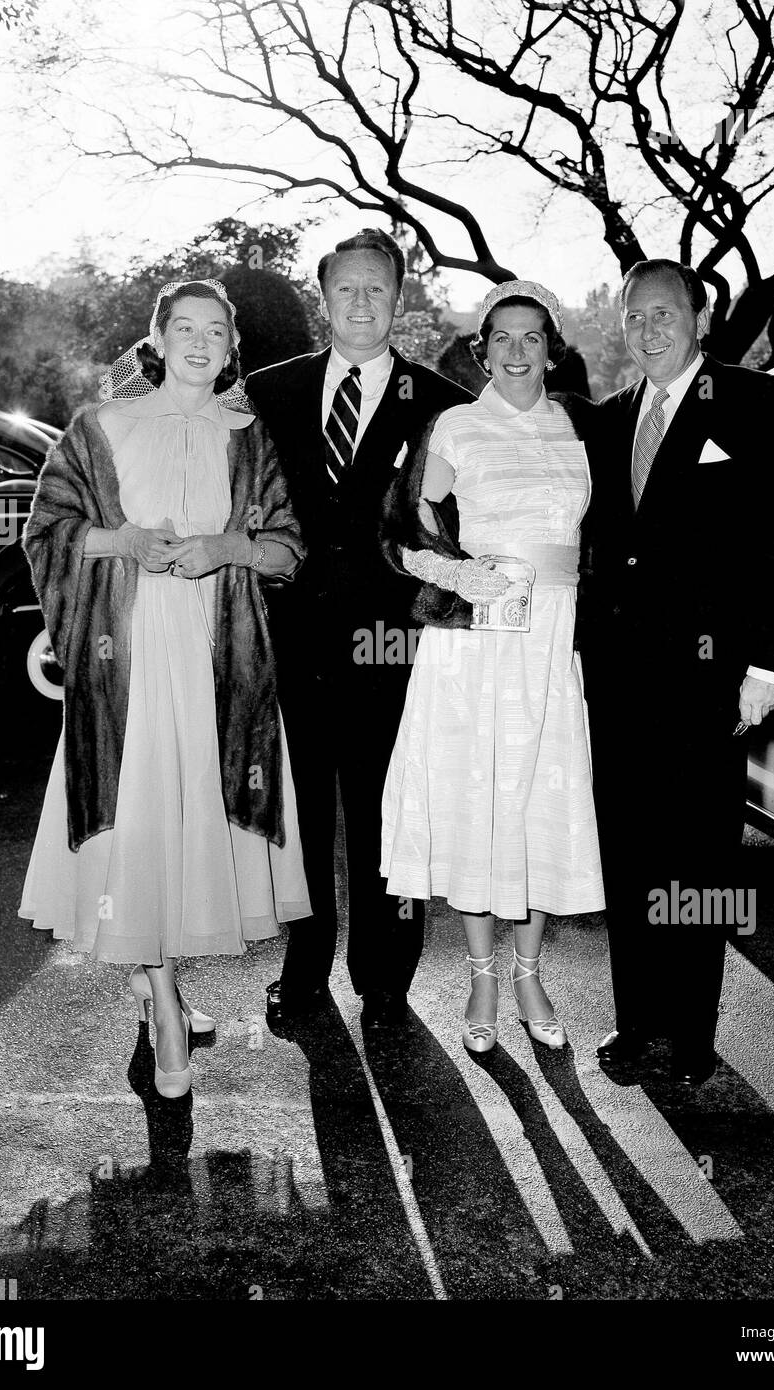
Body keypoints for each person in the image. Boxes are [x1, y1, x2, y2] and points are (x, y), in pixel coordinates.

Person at [19, 279, 311, 1097]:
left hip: (221, 662)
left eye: (214, 331)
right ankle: (168, 1005)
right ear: (156, 340)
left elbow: (287, 547)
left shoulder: (248, 437)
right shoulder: (100, 427)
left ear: (230, 349)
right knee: (139, 824)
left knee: (185, 830)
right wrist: (125, 539)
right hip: (130, 658)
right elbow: (46, 530)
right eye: (182, 327)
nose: (198, 342)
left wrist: (228, 547)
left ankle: (159, 983)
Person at [579, 258, 774, 1086]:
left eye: (664, 314)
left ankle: (691, 1033)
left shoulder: (757, 403)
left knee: (701, 858)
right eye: (635, 317)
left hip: (711, 680)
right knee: (631, 856)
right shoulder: (609, 420)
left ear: (701, 317)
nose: (649, 330)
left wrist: (767, 666)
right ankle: (636, 1020)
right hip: (616, 681)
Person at [244, 229, 473, 1035]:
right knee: (301, 815)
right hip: (294, 644)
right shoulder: (270, 390)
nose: (363, 302)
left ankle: (385, 976)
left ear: (399, 298)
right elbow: (171, 401)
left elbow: (470, 520)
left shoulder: (442, 403)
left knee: (391, 814)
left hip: (396, 651)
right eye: (347, 288)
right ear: (323, 296)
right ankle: (303, 968)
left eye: (378, 288)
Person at [380, 280, 605, 1053]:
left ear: (552, 350)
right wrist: (453, 574)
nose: (516, 351)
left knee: (539, 793)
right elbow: (405, 523)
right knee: (476, 801)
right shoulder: (454, 426)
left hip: (552, 637)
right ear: (481, 350)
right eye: (501, 338)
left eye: (531, 338)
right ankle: (481, 976)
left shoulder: (579, 426)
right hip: (475, 642)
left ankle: (529, 973)